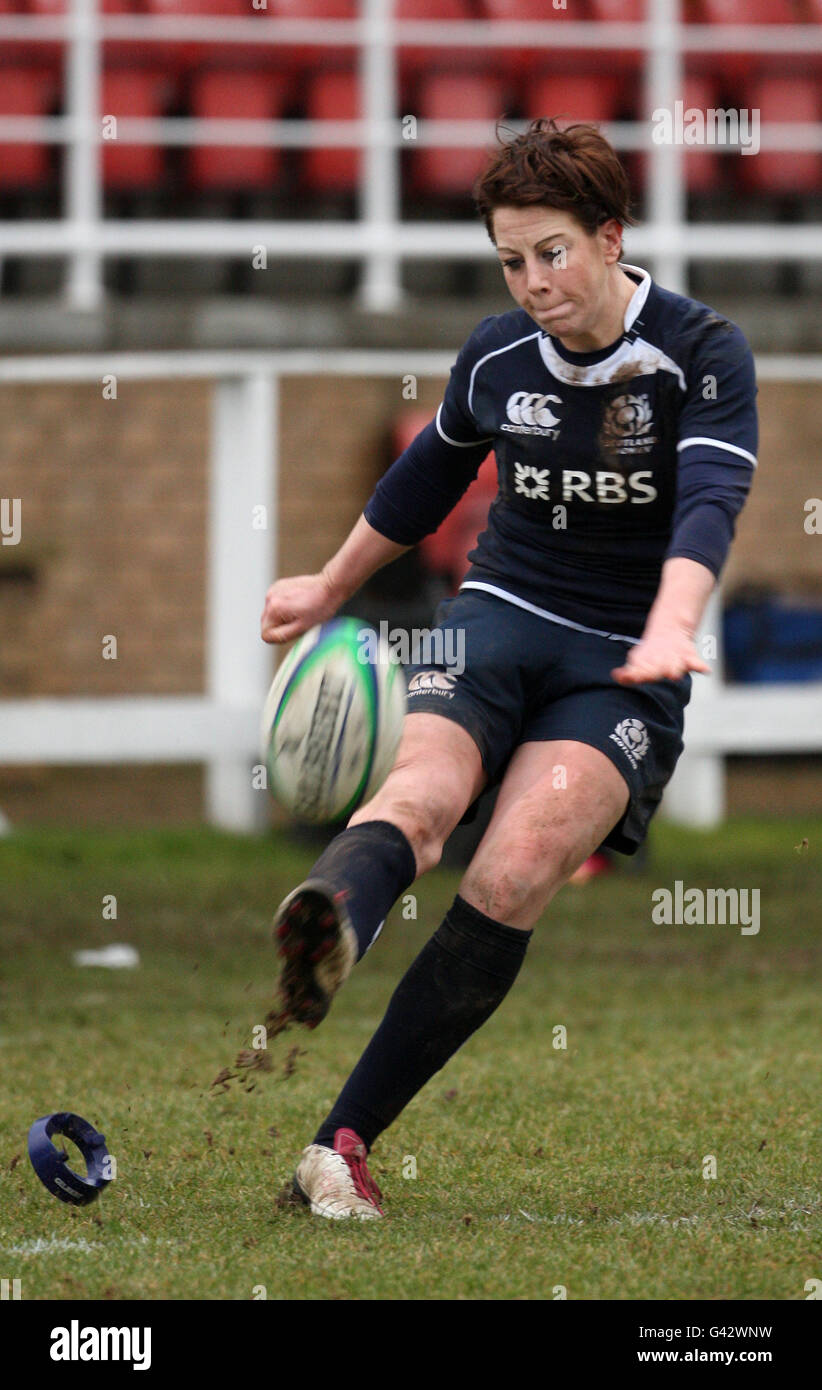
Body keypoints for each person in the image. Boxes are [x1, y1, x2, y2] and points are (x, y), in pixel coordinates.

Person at [260, 118, 758, 1220]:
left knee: (519, 864)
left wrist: (674, 625)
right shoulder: (495, 353)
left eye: (551, 253)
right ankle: (329, 919)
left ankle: (338, 1145)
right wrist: (327, 588)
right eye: (510, 260)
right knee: (426, 797)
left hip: (626, 654)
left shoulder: (701, 354)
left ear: (611, 236)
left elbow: (711, 509)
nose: (532, 282)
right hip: (497, 610)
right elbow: (420, 486)